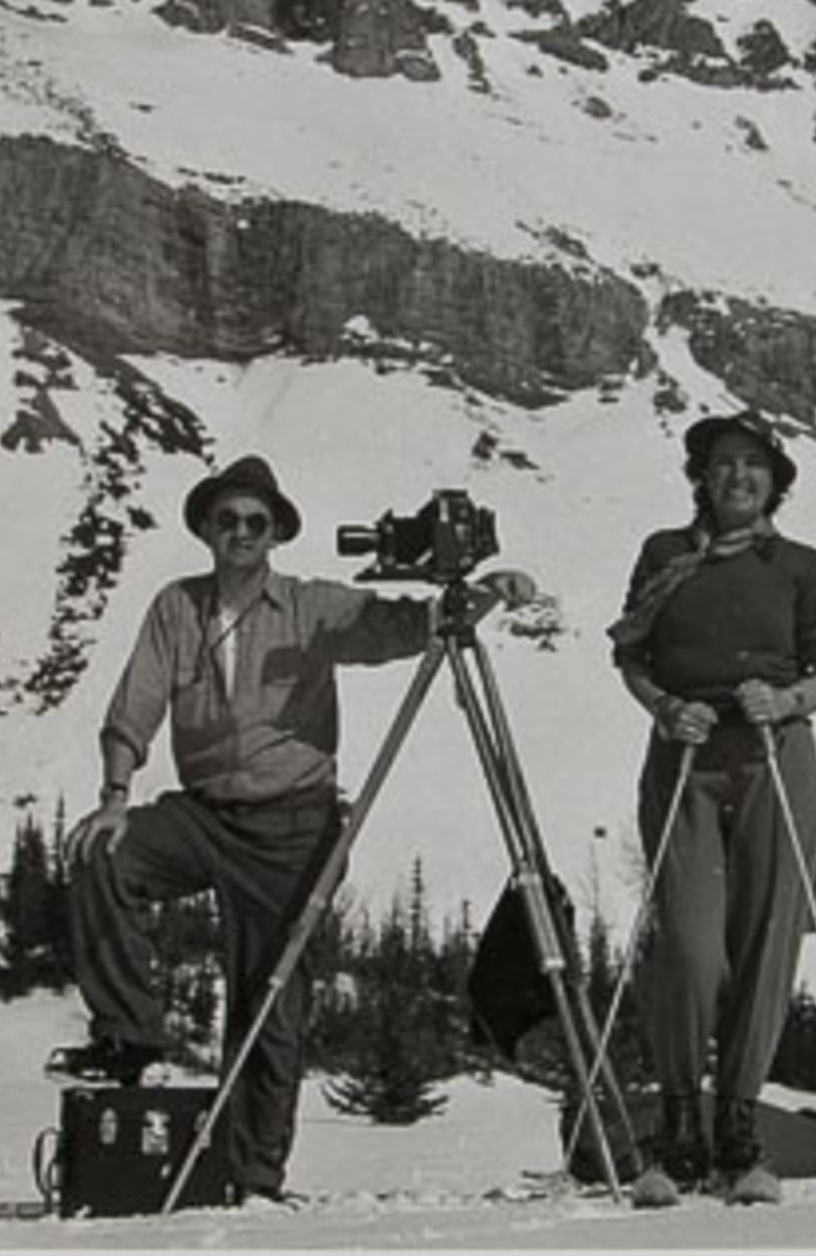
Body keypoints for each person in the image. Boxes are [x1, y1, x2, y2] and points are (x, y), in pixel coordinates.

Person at [51, 452, 535, 1209]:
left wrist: (477, 598)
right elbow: (135, 702)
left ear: (275, 533)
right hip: (203, 812)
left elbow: (394, 626)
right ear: (207, 530)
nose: (241, 532)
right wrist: (115, 795)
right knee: (104, 857)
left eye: (256, 521)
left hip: (292, 827)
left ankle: (252, 1179)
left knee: (269, 1000)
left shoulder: (310, 606)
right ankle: (129, 1033)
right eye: (227, 520)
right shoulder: (176, 607)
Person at [609, 411, 816, 1207]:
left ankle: (740, 1136)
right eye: (721, 464)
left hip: (775, 755)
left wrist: (784, 699)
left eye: (753, 464)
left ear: (777, 480)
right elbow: (631, 653)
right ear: (700, 479)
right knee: (688, 945)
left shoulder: (804, 565)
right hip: (685, 752)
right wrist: (663, 709)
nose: (737, 476)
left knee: (768, 937)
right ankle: (680, 1127)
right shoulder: (665, 554)